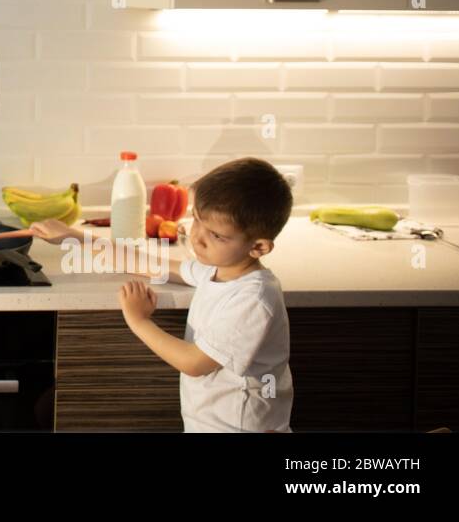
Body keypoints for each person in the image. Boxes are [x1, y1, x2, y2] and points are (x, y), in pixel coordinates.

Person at [31, 156, 294, 432]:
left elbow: (194, 363)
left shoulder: (253, 299)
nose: (197, 237)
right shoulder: (219, 270)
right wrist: (72, 237)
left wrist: (139, 321)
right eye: (197, 219)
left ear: (259, 247)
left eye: (216, 235)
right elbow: (147, 264)